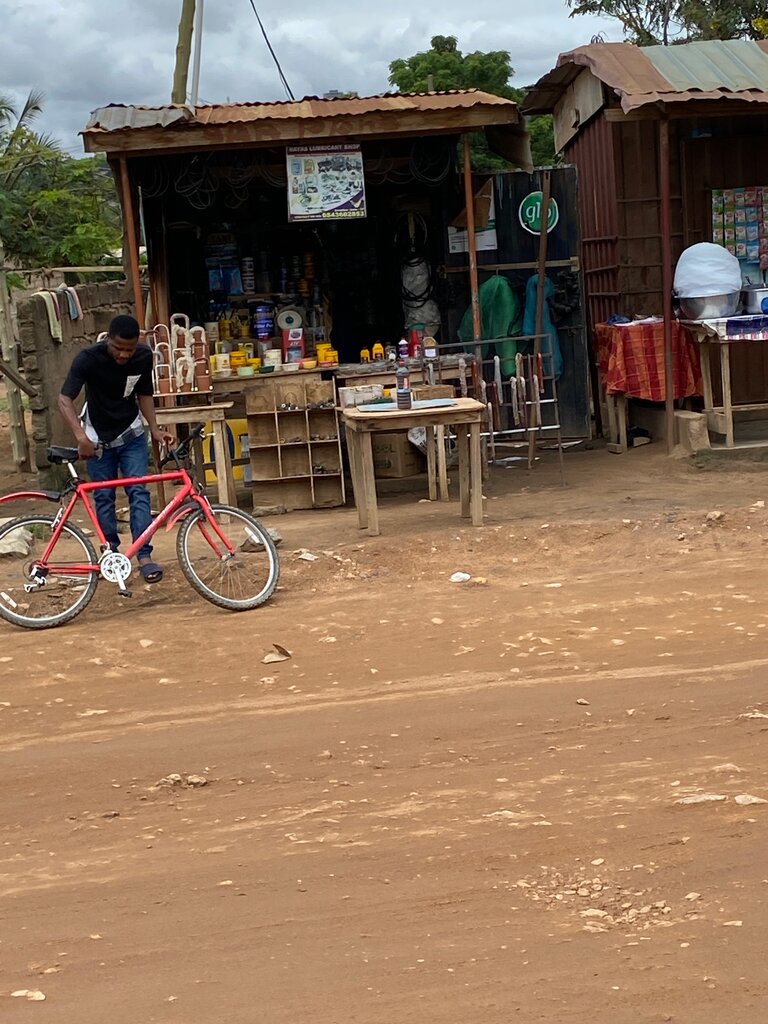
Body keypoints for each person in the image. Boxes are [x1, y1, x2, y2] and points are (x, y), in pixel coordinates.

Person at [58, 315, 176, 584]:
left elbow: (144, 393)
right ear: (108, 340)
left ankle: (144, 555)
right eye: (118, 348)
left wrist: (155, 428)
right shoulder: (88, 359)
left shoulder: (143, 357)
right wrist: (81, 436)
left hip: (131, 434)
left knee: (138, 490)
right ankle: (110, 554)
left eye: (129, 349)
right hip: (97, 438)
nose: (123, 354)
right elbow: (64, 399)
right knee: (103, 497)